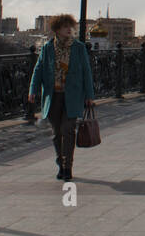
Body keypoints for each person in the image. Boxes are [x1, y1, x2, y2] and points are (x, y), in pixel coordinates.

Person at [28, 13, 95, 182]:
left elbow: (86, 72)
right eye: (65, 27)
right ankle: (60, 162)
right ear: (57, 29)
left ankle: (68, 167)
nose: (68, 30)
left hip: (72, 96)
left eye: (70, 27)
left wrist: (89, 95)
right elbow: (38, 70)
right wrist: (33, 90)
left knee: (68, 130)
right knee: (57, 133)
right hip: (54, 96)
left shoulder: (78, 48)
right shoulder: (48, 48)